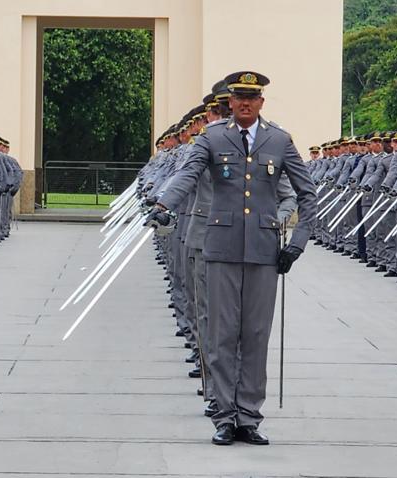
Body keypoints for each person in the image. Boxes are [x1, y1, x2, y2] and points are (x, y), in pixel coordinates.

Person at [147, 71, 317, 445]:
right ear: (232, 102)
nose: (243, 103)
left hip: (264, 250)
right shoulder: (212, 137)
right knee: (221, 334)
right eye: (238, 97)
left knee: (255, 335)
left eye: (250, 98)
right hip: (221, 248)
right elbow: (188, 175)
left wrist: (297, 243)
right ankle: (224, 416)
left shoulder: (280, 140)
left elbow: (307, 194)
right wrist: (163, 205)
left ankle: (249, 417)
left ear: (261, 103)